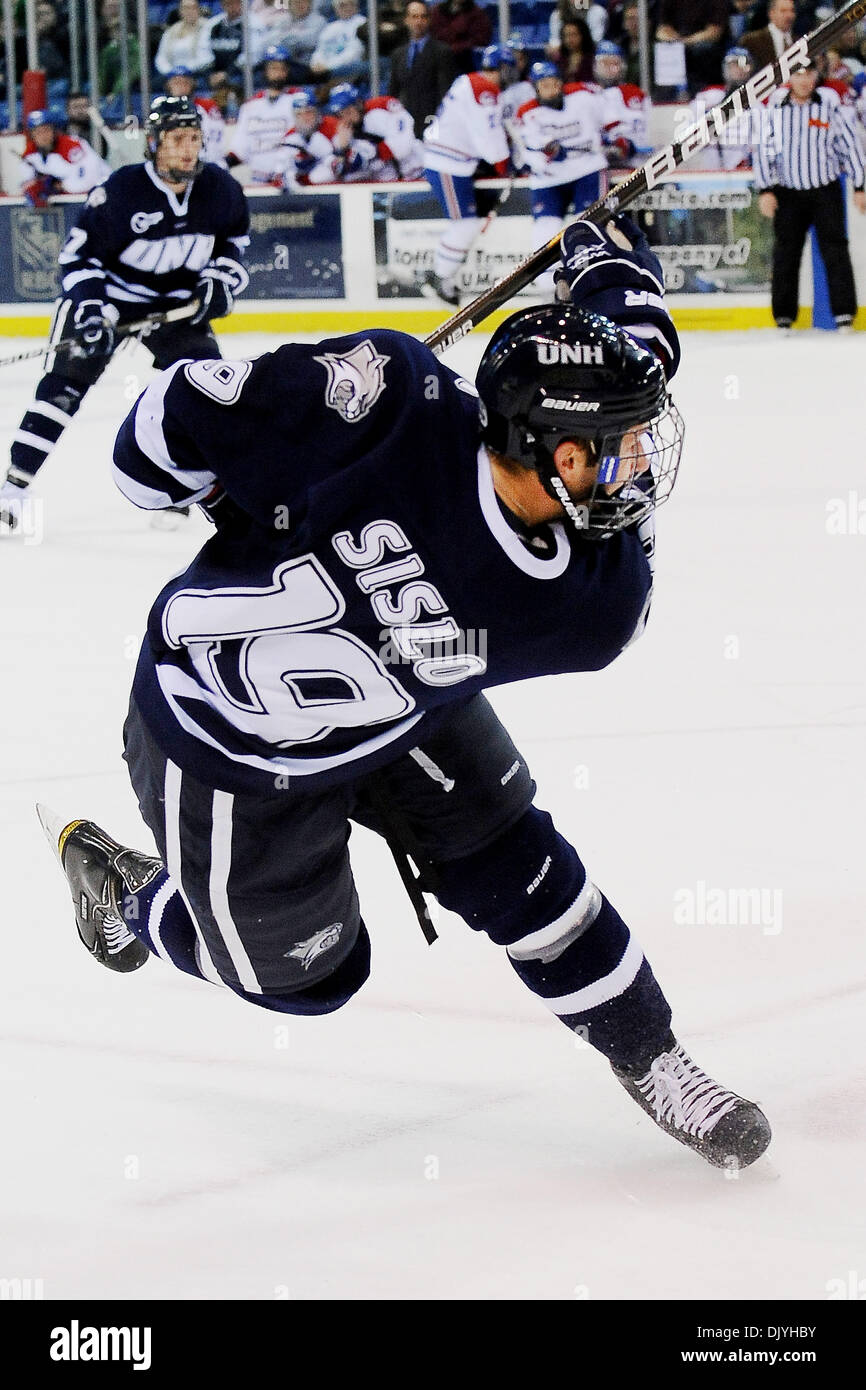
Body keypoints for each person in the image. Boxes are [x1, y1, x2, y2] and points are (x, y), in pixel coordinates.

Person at [39, 214, 772, 1172]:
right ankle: (139, 899)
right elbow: (151, 448)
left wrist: (241, 468)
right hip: (224, 741)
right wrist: (256, 463)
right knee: (312, 982)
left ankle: (656, 1057)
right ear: (552, 448)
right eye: (616, 445)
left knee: (521, 864)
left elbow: (144, 456)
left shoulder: (400, 406)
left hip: (412, 685)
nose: (639, 466)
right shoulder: (561, 576)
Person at [0, 98, 249, 534]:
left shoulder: (221, 189)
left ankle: (190, 491)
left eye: (194, 138)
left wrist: (220, 280)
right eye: (176, 139)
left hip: (176, 305)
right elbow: (77, 257)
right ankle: (13, 489)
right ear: (154, 144)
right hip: (111, 299)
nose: (187, 149)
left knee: (203, 388)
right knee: (62, 389)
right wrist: (93, 307)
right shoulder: (122, 190)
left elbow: (234, 246)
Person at [755, 59, 866, 331]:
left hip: (824, 189)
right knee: (786, 254)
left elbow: (849, 144)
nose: (804, 80)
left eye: (809, 74)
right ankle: (783, 316)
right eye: (798, 74)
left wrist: (859, 185)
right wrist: (765, 189)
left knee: (836, 250)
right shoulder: (776, 106)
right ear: (790, 77)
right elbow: (762, 148)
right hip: (788, 192)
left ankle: (843, 315)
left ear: (816, 76)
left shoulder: (829, 103)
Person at [421, 42, 515, 305]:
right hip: (448, 163)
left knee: (466, 223)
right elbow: (486, 134)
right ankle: (440, 275)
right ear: (501, 68)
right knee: (464, 224)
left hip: (453, 161)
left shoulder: (469, 82)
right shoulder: (483, 89)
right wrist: (502, 160)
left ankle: (442, 275)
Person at [513, 62, 607, 291]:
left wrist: (615, 140)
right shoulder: (527, 113)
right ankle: (548, 288)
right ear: (536, 88)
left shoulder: (583, 95)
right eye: (545, 85)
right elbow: (528, 152)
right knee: (546, 230)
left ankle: (596, 281)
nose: (551, 90)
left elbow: (605, 122)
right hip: (549, 179)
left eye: (555, 84)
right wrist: (548, 154)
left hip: (587, 170)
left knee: (589, 225)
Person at [225, 46, 304, 180]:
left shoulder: (298, 101)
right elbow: (240, 147)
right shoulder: (250, 106)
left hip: (290, 177)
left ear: (287, 71)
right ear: (265, 71)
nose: (278, 73)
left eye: (282, 68)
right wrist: (224, 163)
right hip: (258, 177)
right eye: (273, 68)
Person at [322, 82, 424, 182]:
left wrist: (374, 154)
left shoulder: (380, 109)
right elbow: (339, 170)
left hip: (418, 173)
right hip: (388, 183)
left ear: (358, 103)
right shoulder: (343, 131)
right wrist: (342, 150)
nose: (345, 118)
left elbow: (403, 145)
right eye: (340, 114)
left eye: (348, 111)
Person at [389, 0, 459, 139]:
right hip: (406, 121)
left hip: (431, 119)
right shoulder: (398, 54)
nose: (419, 21)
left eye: (423, 17)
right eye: (414, 17)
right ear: (406, 20)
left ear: (428, 20)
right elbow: (393, 91)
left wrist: (437, 121)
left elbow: (444, 92)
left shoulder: (441, 51)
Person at [15, 109, 109, 207]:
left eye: (46, 130)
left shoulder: (72, 146)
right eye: (37, 132)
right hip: (70, 201)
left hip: (102, 190)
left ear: (54, 130)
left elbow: (90, 179)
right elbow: (27, 183)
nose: (43, 136)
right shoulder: (30, 153)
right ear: (32, 135)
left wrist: (61, 185)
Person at [689, 46, 755, 170]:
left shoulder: (757, 102)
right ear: (726, 68)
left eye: (743, 65)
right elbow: (692, 133)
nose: (739, 70)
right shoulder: (709, 96)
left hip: (743, 163)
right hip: (713, 161)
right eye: (734, 65)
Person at [593, 38, 651, 169]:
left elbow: (647, 131)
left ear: (623, 66)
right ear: (595, 66)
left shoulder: (637, 94)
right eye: (604, 63)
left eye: (614, 64)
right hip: (603, 165)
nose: (609, 69)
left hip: (636, 163)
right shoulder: (588, 94)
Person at [655, 0, 730, 95]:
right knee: (664, 49)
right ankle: (666, 93)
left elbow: (714, 32)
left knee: (702, 50)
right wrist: (674, 39)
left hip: (705, 43)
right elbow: (662, 29)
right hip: (678, 42)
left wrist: (688, 41)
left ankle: (704, 90)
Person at [164, 65, 227, 164]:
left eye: (185, 82)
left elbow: (216, 137)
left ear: (192, 84)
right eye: (176, 82)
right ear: (168, 85)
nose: (181, 86)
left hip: (208, 164)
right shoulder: (162, 110)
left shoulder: (207, 105)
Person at [308, 0, 367, 85]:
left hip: (349, 68)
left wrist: (328, 66)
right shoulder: (329, 27)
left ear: (357, 6)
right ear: (336, 8)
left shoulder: (361, 23)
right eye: (343, 5)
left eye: (351, 4)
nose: (348, 8)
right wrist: (315, 64)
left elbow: (355, 53)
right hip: (325, 69)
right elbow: (319, 51)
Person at [154, 0, 215, 80]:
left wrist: (185, 69)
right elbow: (161, 57)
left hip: (197, 73)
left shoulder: (209, 28)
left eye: (193, 7)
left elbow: (207, 57)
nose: (189, 11)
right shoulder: (170, 31)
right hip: (171, 75)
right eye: (186, 8)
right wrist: (170, 71)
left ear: (199, 9)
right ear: (180, 11)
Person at [429, 0, 493, 77]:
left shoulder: (477, 13)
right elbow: (434, 34)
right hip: (440, 57)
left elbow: (482, 38)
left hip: (466, 59)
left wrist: (458, 46)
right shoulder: (437, 11)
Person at [741, 0, 795, 73]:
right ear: (771, 13)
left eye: (792, 11)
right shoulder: (751, 41)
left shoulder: (799, 41)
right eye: (783, 11)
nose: (789, 15)